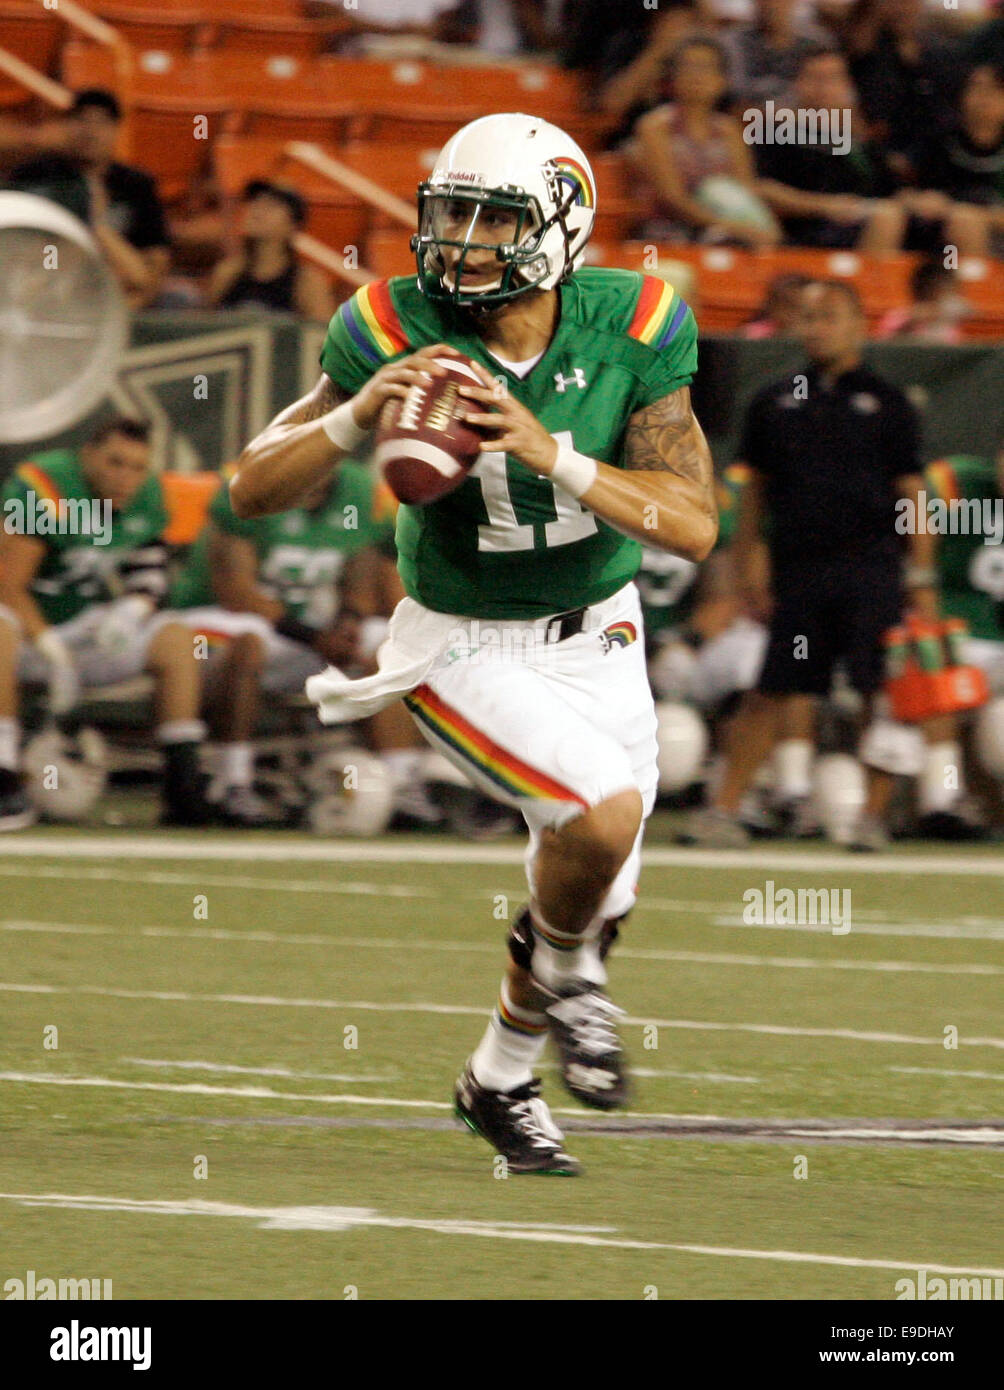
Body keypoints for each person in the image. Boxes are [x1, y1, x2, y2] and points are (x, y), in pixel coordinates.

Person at [229, 113, 718, 1174]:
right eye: (450, 212)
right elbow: (248, 488)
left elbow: (690, 522)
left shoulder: (633, 321)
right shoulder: (388, 323)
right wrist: (356, 416)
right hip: (460, 642)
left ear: (559, 224)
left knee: (596, 886)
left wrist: (553, 455)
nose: (462, 240)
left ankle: (497, 1076)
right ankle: (573, 983)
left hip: (604, 634)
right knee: (596, 817)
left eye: (494, 218)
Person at [683, 280, 935, 851]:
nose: (817, 327)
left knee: (881, 690)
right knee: (773, 686)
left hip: (872, 570)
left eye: (831, 316)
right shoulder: (773, 401)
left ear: (860, 326)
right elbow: (754, 496)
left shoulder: (889, 401)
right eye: (808, 317)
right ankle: (726, 808)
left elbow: (912, 493)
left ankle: (872, 818)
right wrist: (750, 566)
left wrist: (919, 575)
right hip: (801, 572)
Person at [169, 464, 443, 827]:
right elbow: (236, 592)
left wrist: (348, 621)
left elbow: (361, 574)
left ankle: (401, 780)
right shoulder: (250, 484)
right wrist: (315, 638)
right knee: (249, 639)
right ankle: (231, 780)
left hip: (306, 635)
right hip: (216, 624)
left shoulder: (359, 493)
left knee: (390, 642)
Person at [0, 418, 213, 830]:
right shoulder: (47, 486)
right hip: (25, 632)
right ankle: (3, 774)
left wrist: (131, 609)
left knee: (174, 637)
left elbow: (148, 574)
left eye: (137, 466)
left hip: (81, 628)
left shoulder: (148, 495)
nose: (125, 477)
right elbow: (7, 586)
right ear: (88, 457)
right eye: (115, 463)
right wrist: (50, 647)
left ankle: (182, 782)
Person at [6, 89, 170, 310]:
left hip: (118, 293)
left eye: (101, 123)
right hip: (48, 285)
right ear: (67, 125)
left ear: (116, 130)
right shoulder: (35, 177)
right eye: (81, 121)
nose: (90, 132)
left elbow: (147, 276)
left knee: (178, 298)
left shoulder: (137, 185)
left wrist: (98, 224)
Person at [629, 36, 782, 248]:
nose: (696, 76)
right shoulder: (655, 126)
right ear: (672, 77)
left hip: (727, 228)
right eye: (688, 67)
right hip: (669, 227)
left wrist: (753, 227)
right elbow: (672, 198)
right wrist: (729, 226)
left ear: (722, 80)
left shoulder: (729, 130)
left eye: (706, 67)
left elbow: (744, 191)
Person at [753, 46, 908, 251]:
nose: (823, 87)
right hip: (808, 226)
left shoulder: (857, 138)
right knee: (885, 216)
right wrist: (826, 205)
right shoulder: (775, 132)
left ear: (847, 86)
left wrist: (918, 199)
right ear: (797, 83)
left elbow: (888, 188)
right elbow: (762, 189)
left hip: (861, 215)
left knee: (957, 216)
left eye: (833, 79)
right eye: (815, 77)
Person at [207, 180, 335, 322]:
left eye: (271, 205)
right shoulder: (227, 273)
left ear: (293, 225)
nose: (257, 210)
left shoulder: (306, 282)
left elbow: (322, 336)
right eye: (255, 202)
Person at [722, 0, 833, 110]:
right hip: (751, 116)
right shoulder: (734, 41)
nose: (772, 5)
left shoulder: (816, 41)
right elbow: (735, 89)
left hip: (808, 113)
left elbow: (830, 82)